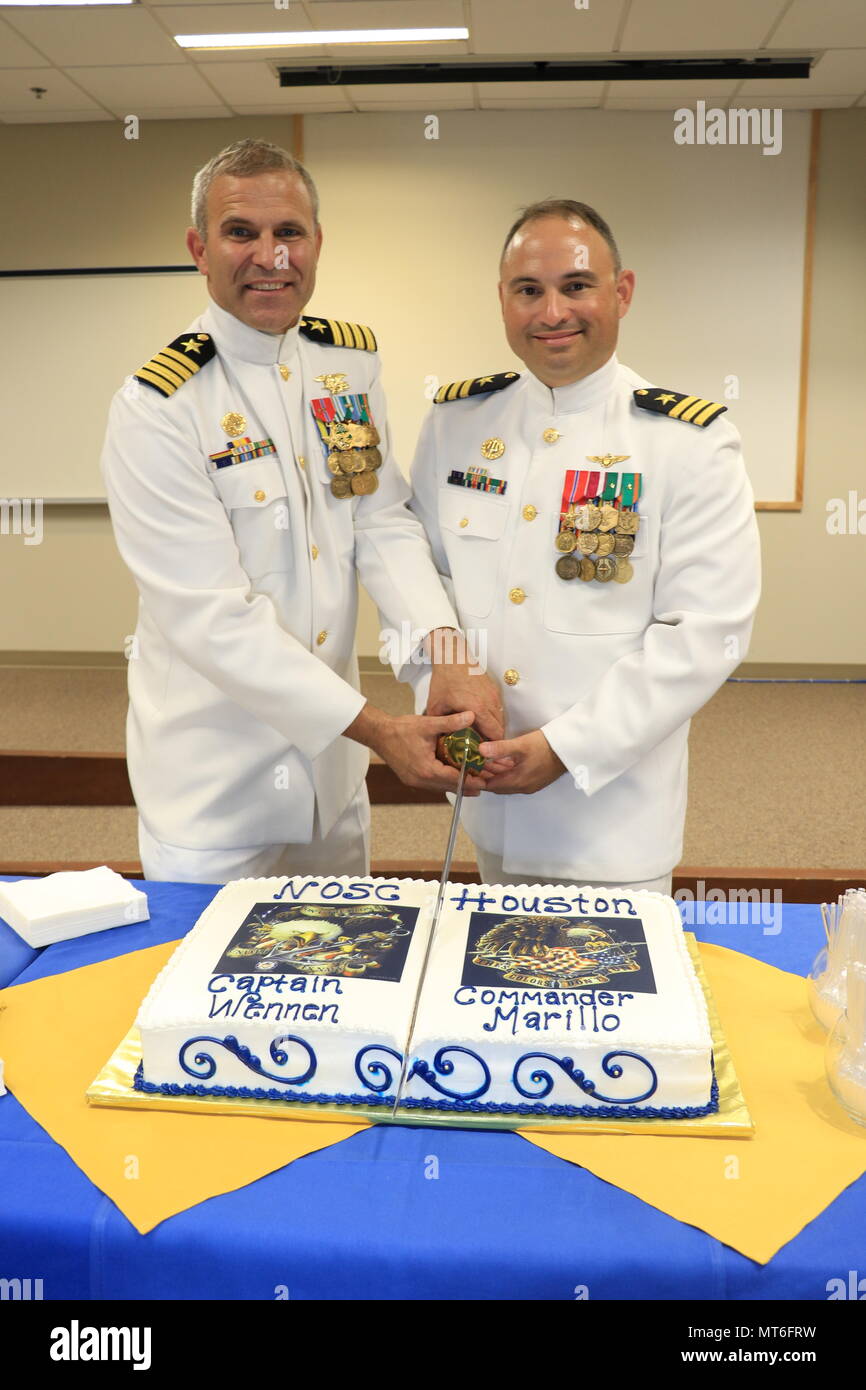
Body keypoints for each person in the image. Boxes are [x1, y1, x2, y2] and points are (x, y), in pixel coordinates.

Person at [101, 138, 503, 884]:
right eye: (240, 232)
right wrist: (381, 730)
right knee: (214, 996)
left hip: (331, 781)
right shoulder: (158, 407)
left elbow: (379, 521)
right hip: (217, 790)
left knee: (340, 975)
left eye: (289, 232)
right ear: (199, 247)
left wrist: (443, 652)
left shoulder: (346, 365)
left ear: (317, 243)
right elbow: (212, 619)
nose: (269, 256)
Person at [409, 199, 761, 893]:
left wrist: (567, 749)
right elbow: (422, 581)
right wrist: (441, 695)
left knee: (608, 997)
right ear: (503, 300)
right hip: (485, 807)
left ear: (621, 293)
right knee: (491, 993)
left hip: (611, 822)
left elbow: (705, 634)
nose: (552, 313)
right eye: (528, 290)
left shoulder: (685, 441)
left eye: (576, 286)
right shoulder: (455, 423)